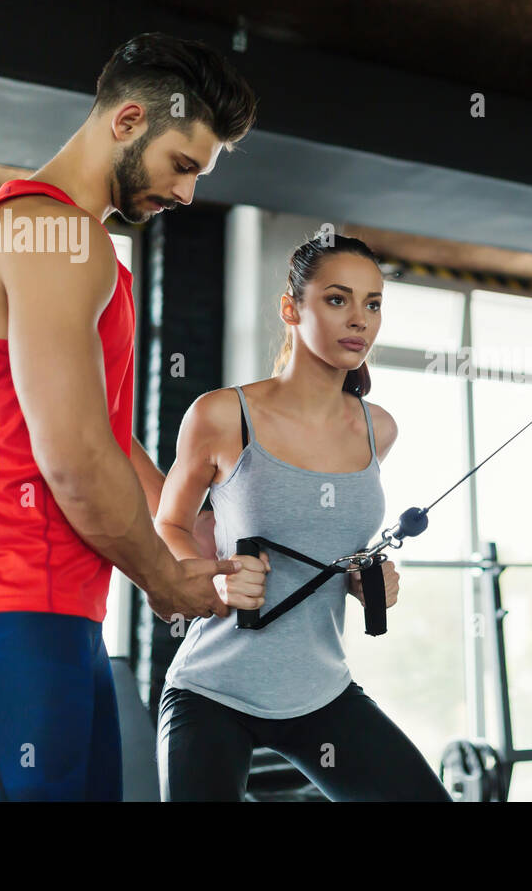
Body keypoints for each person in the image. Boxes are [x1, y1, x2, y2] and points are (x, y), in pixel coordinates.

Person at [0, 33, 259, 801]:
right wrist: (164, 581)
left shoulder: (70, 241)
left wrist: (189, 520)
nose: (188, 194)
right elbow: (71, 455)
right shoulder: (54, 235)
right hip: (11, 598)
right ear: (129, 120)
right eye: (184, 165)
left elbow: (100, 430)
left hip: (52, 604)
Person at [154, 235, 451, 801]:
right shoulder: (222, 414)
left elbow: (337, 545)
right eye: (338, 300)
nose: (359, 319)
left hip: (321, 691)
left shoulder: (376, 428)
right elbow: (169, 525)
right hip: (213, 688)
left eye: (373, 303)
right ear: (291, 309)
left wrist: (369, 581)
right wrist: (212, 576)